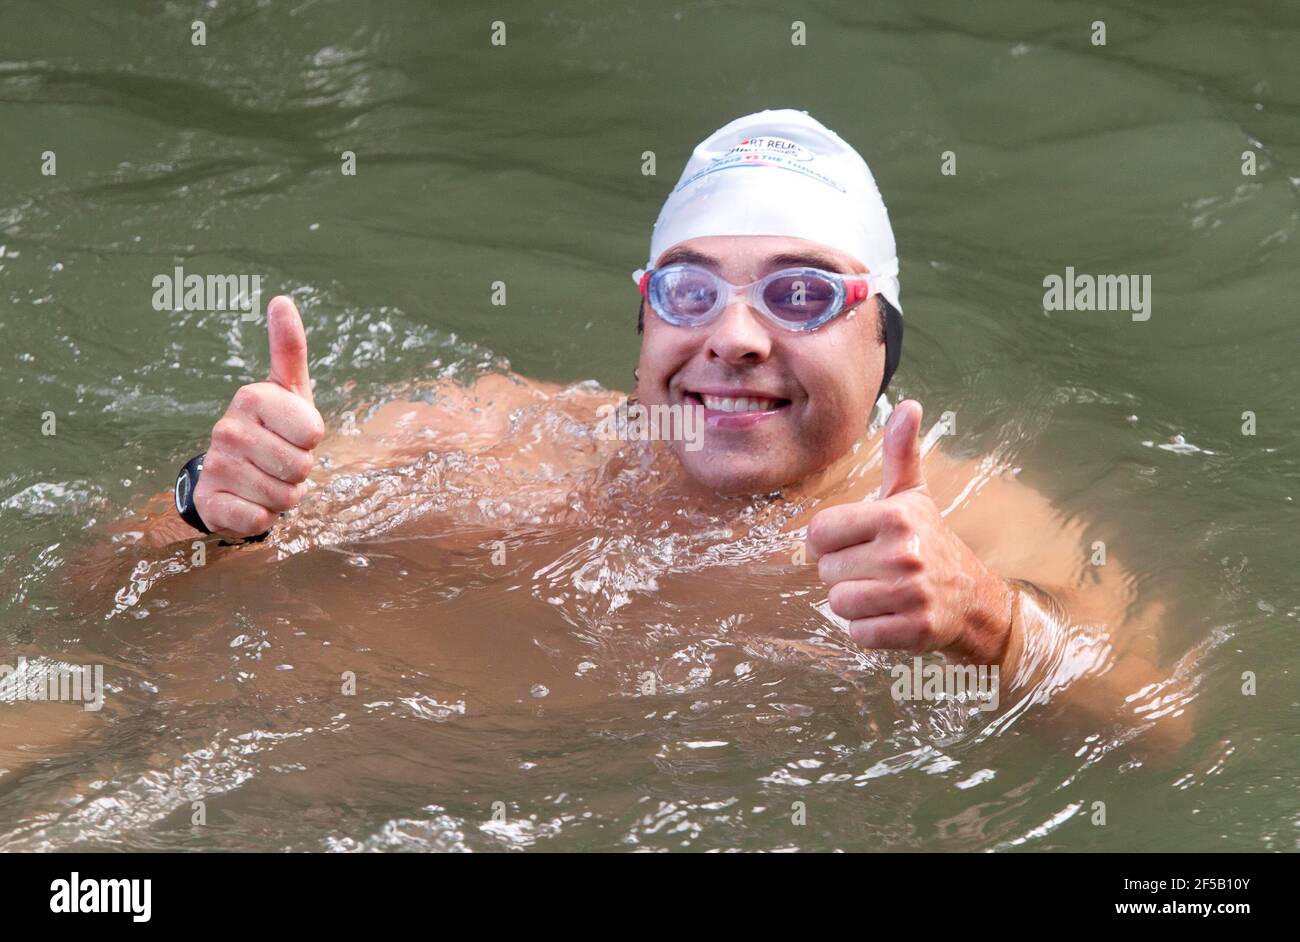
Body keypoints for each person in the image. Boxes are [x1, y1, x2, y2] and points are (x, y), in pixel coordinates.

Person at [127, 110, 1188, 748]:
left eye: (804, 297)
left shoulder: (960, 524)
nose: (732, 336)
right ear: (643, 328)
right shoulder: (486, 439)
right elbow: (103, 593)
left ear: (883, 349)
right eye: (688, 293)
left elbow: (1158, 731)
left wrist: (991, 625)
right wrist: (206, 513)